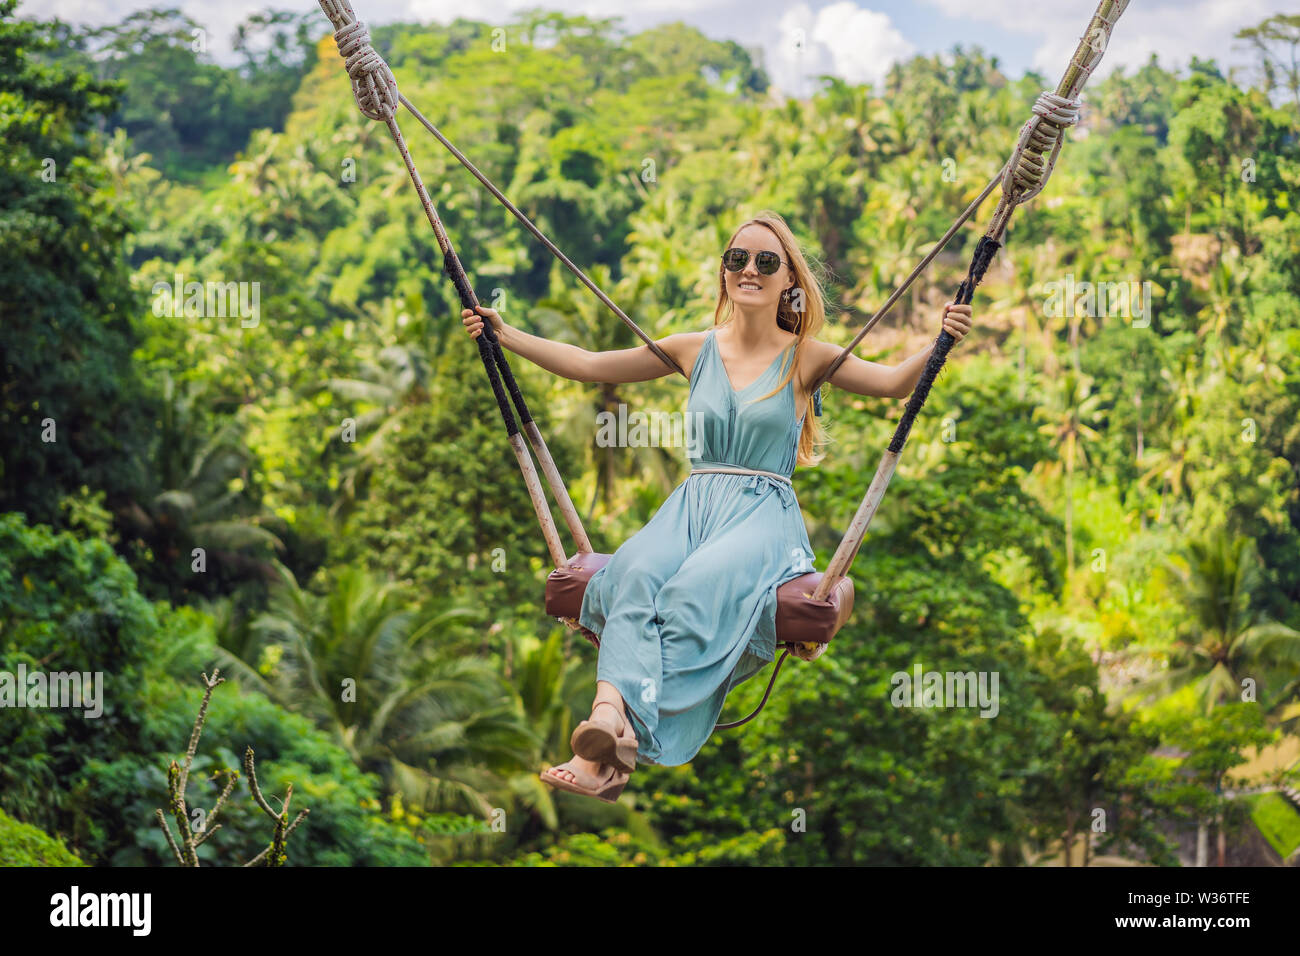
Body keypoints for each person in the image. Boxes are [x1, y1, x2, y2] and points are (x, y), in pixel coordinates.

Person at [462, 211, 972, 802]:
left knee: (691, 590)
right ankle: (607, 719)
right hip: (693, 505)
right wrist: (506, 334)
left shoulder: (807, 356)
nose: (748, 270)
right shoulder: (692, 348)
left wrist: (942, 341)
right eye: (736, 259)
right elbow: (590, 364)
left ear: (789, 283)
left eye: (765, 261)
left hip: (762, 514)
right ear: (724, 272)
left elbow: (893, 384)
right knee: (632, 573)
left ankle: (618, 738)